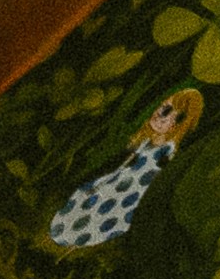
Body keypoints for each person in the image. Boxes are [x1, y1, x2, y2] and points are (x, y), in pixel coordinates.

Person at [44, 87, 207, 253]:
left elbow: (139, 191)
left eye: (170, 113)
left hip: (118, 207)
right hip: (105, 193)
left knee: (80, 229)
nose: (159, 114)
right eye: (163, 106)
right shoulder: (146, 143)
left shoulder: (165, 157)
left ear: (179, 124)